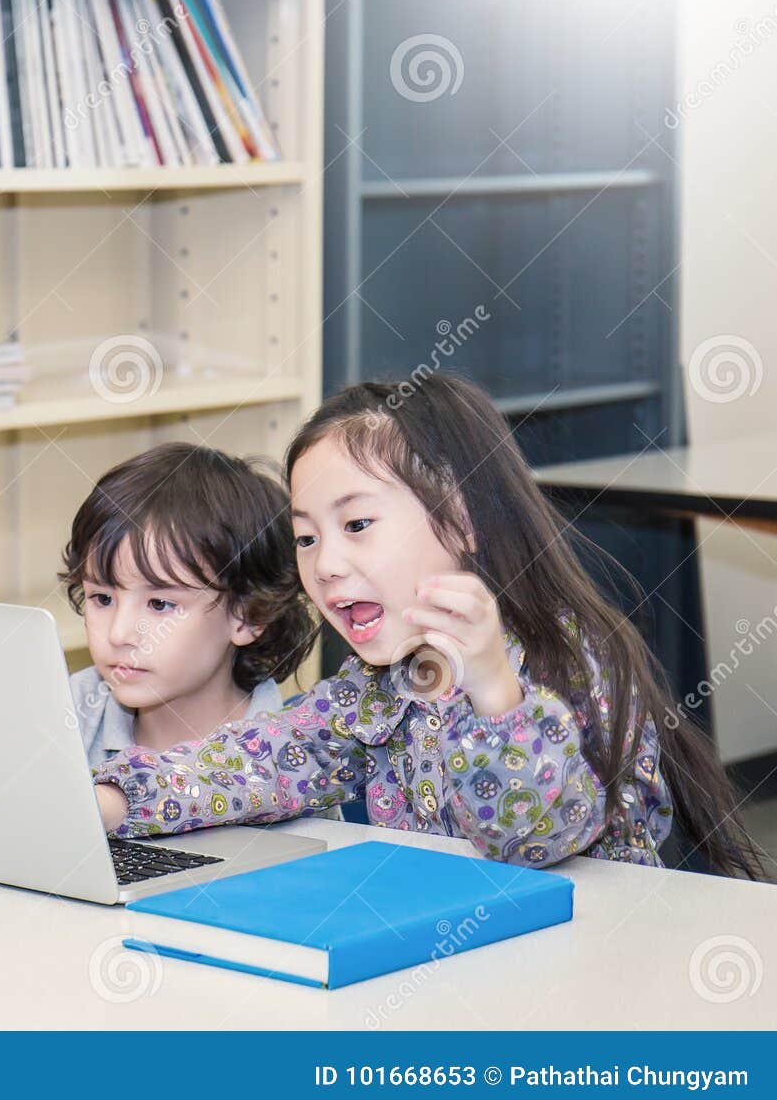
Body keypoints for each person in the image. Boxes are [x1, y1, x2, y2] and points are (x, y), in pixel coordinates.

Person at [92, 374, 768, 878]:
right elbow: (261, 757)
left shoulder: (567, 656)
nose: (325, 564)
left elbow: (534, 838)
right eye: (305, 537)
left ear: (462, 518)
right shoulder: (378, 685)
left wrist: (494, 690)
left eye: (357, 524)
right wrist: (113, 801)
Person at [59, 443, 315, 763]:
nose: (119, 634)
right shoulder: (63, 714)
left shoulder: (293, 765)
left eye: (160, 604)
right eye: (103, 598)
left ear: (248, 614)